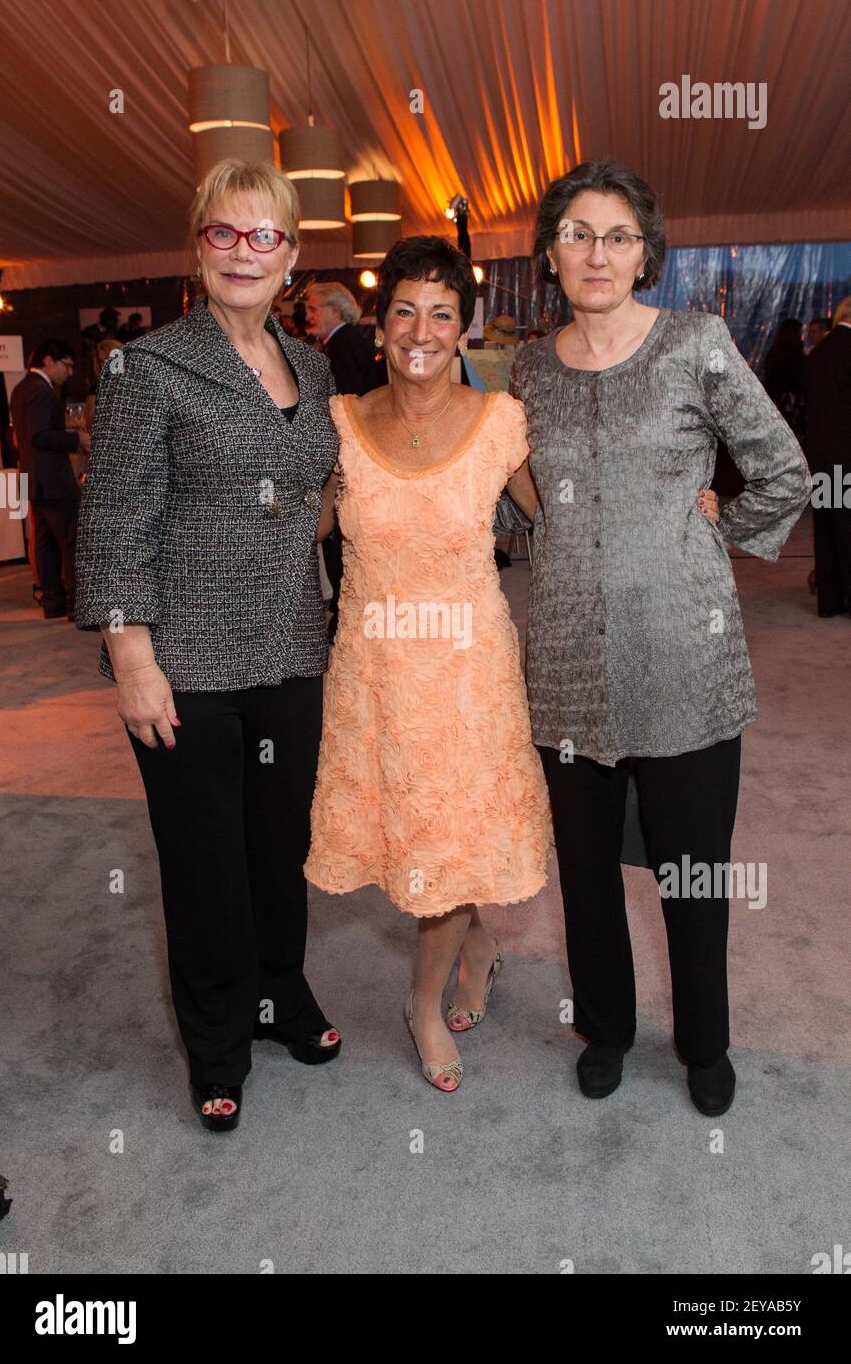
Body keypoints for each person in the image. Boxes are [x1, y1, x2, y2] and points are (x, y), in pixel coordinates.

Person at [509, 158, 811, 1116]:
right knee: (586, 872)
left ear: (647, 253)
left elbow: (783, 468)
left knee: (691, 868)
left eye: (619, 235)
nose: (597, 253)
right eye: (577, 233)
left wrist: (709, 528)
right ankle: (605, 1028)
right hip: (563, 657)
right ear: (550, 252)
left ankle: (706, 1045)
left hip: (686, 651)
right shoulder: (526, 365)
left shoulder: (697, 342)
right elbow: (525, 504)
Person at [74, 158, 342, 1134]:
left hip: (289, 655)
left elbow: (314, 504)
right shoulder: (146, 368)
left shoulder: (310, 369)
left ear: (290, 258)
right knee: (202, 866)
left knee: (279, 852)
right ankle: (218, 1038)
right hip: (186, 665)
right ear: (197, 248)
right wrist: (134, 662)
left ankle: (281, 994)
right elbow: (112, 525)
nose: (243, 251)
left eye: (262, 235)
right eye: (223, 233)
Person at [304, 236, 555, 1092]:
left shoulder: (501, 425)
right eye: (404, 310)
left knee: (446, 843)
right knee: (410, 844)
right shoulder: (339, 424)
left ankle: (421, 1000)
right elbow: (301, 532)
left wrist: (684, 500)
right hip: (373, 676)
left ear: (464, 329)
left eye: (441, 313)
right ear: (379, 327)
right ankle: (478, 944)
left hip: (465, 676)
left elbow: (562, 521)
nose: (421, 329)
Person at [306, 283, 386, 644]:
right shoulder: (345, 342)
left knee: (341, 539)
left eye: (313, 307)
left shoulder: (343, 345)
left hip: (348, 458)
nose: (307, 314)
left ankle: (345, 615)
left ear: (334, 311)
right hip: (351, 455)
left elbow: (349, 404)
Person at [9, 340, 89, 620]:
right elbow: (39, 434)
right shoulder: (41, 391)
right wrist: (76, 439)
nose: (69, 373)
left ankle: (53, 603)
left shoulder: (21, 387)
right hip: (52, 479)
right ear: (48, 360)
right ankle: (77, 606)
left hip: (32, 477)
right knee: (71, 540)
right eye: (66, 365)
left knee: (44, 543)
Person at [805, 296, 851, 616]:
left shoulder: (817, 351)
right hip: (848, 455)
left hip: (822, 456)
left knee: (826, 524)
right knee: (849, 526)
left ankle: (830, 601)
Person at [764, 318, 806, 441]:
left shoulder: (773, 353)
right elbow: (799, 381)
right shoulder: (796, 356)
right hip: (791, 403)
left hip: (775, 402)